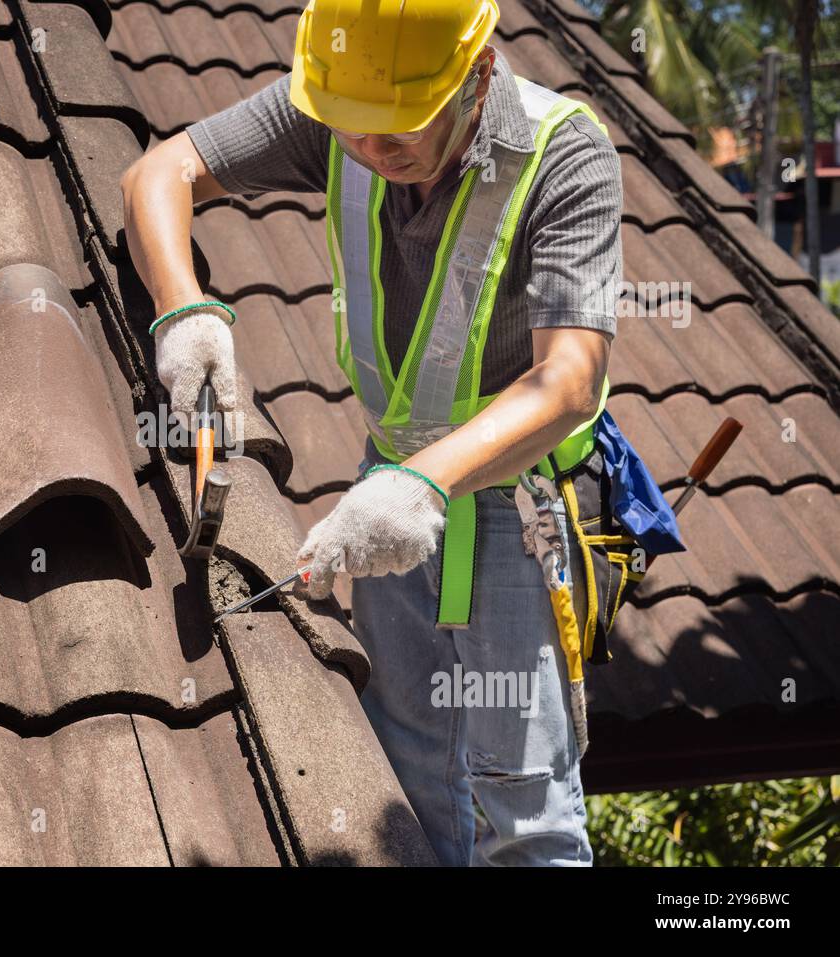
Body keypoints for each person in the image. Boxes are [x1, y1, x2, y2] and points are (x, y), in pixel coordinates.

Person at [121, 0, 623, 866]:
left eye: (399, 132)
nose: (370, 151)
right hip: (387, 493)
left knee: (523, 809)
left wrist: (424, 482)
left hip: (512, 509)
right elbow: (159, 174)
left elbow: (568, 379)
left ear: (479, 72)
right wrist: (183, 311)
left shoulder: (565, 155)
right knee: (411, 781)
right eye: (350, 132)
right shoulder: (342, 99)